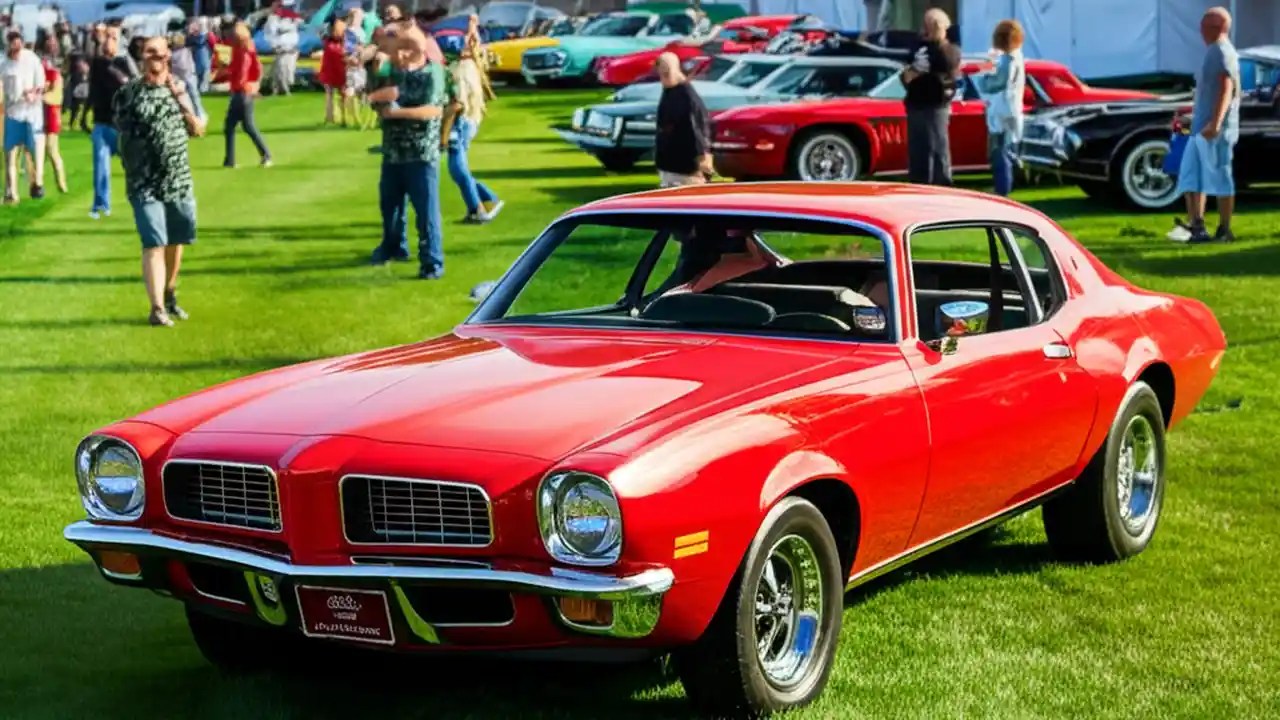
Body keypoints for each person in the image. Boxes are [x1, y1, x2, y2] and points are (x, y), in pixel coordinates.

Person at [113, 35, 206, 327]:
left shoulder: (183, 86)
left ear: (168, 56)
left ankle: (169, 293)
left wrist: (180, 100)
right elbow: (122, 133)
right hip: (144, 183)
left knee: (176, 240)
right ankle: (156, 309)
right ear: (142, 57)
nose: (155, 58)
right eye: (149, 53)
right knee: (153, 241)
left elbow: (199, 129)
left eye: (160, 54)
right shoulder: (128, 94)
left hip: (178, 178)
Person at [367, 26, 446, 279]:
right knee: (389, 206)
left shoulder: (433, 73)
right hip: (393, 154)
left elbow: (433, 110)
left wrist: (396, 111)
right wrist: (379, 88)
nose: (397, 55)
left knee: (426, 212)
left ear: (417, 50)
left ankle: (432, 261)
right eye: (395, 50)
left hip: (421, 155)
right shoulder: (394, 73)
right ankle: (393, 247)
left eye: (403, 50)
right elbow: (373, 98)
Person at [1173, 7, 1241, 244]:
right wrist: (1194, 118)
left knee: (1220, 176)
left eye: (1203, 26)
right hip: (1200, 127)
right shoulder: (1214, 51)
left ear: (1213, 28)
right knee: (1191, 176)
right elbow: (1209, 93)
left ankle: (1224, 229)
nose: (1200, 31)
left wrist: (1216, 123)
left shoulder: (1221, 52)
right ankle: (1197, 226)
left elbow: (1226, 89)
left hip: (1214, 130)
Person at [903, 8, 961, 186]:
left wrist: (935, 43)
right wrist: (914, 69)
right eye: (926, 24)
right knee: (918, 151)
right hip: (915, 105)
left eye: (932, 25)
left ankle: (941, 184)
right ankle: (919, 184)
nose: (927, 29)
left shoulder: (950, 49)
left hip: (936, 106)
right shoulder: (917, 48)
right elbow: (905, 77)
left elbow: (947, 64)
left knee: (936, 149)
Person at [444, 54, 502, 222]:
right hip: (469, 122)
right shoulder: (471, 73)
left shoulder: (458, 76)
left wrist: (443, 135)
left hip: (459, 125)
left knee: (458, 171)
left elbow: (456, 105)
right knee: (459, 171)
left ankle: (477, 208)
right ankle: (487, 198)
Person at [87, 25, 133, 218]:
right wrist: (97, 38)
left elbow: (132, 83)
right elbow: (96, 59)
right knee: (101, 166)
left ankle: (140, 200)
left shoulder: (124, 63)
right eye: (106, 37)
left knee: (133, 166)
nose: (108, 41)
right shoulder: (98, 63)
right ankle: (100, 205)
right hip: (102, 124)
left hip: (122, 126)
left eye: (112, 37)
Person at [978, 19, 1025, 197]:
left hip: (1002, 110)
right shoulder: (1018, 57)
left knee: (999, 151)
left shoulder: (1007, 59)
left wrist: (983, 80)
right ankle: (1006, 183)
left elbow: (998, 83)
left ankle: (1002, 188)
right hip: (1013, 108)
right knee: (1006, 149)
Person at [653, 51, 711, 188]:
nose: (663, 78)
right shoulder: (670, 92)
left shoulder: (686, 96)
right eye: (661, 74)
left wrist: (702, 158)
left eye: (666, 73)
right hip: (669, 163)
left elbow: (696, 129)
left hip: (685, 167)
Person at [3, 31, 46, 203]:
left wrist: (34, 94)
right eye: (12, 46)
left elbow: (41, 83)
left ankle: (36, 184)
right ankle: (11, 193)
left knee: (32, 153)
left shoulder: (32, 59)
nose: (16, 49)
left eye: (18, 45)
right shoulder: (4, 65)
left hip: (31, 114)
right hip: (13, 113)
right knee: (11, 155)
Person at [223, 22, 271, 168]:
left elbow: (242, 73)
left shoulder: (243, 52)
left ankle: (264, 155)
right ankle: (231, 160)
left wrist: (244, 85)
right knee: (243, 126)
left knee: (240, 126)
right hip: (244, 91)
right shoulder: (245, 50)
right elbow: (256, 69)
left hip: (242, 93)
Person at [39, 32, 66, 193]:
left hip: (51, 114)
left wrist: (40, 97)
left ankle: (61, 182)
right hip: (39, 113)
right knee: (38, 151)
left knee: (51, 149)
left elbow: (56, 96)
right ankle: (38, 183)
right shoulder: (41, 74)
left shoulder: (55, 74)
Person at [266, 0, 302, 95]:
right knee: (280, 70)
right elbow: (270, 34)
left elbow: (297, 30)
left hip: (291, 49)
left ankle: (285, 88)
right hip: (281, 49)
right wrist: (275, 46)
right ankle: (278, 89)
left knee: (289, 71)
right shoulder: (273, 19)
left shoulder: (294, 19)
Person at [319, 19, 347, 124]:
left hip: (330, 71)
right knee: (342, 95)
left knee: (330, 95)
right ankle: (343, 117)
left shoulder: (327, 42)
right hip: (339, 71)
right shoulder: (342, 44)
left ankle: (330, 116)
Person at [186, 19, 212, 92]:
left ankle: (202, 90)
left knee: (204, 76)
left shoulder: (203, 36)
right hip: (199, 60)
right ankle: (201, 90)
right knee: (201, 76)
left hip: (203, 60)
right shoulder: (191, 38)